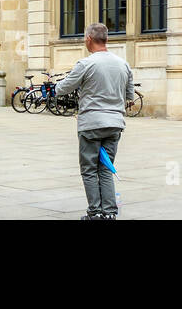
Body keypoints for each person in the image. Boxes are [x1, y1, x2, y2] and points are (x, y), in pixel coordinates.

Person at [54, 22, 135, 220]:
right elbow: (130, 96)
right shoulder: (123, 64)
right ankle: (109, 213)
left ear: (89, 39)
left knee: (89, 170)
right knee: (106, 168)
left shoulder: (86, 63)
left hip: (91, 124)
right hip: (115, 124)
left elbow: (63, 88)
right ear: (106, 39)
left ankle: (95, 212)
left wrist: (54, 88)